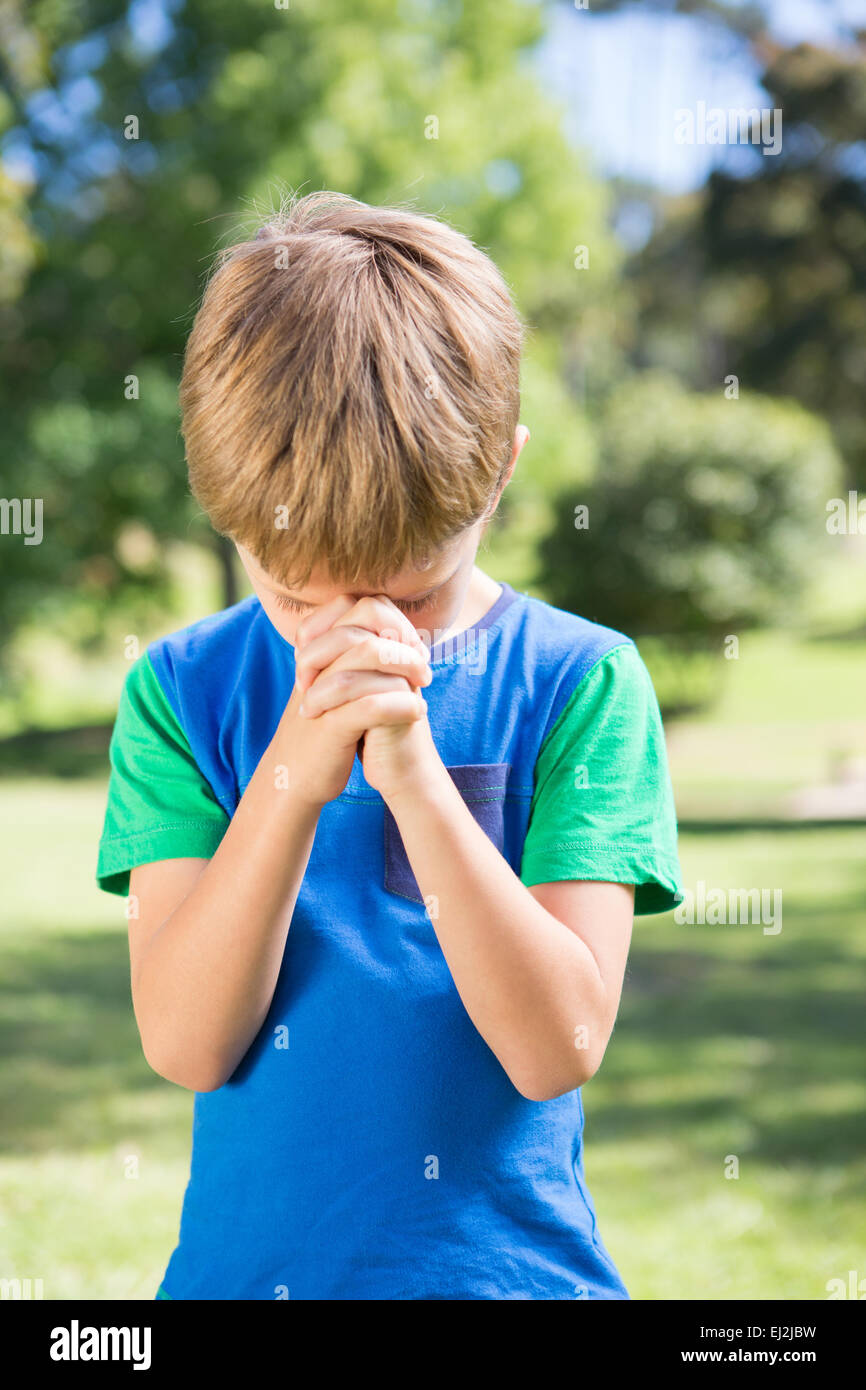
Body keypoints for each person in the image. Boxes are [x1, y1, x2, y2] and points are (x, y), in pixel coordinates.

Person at [96, 190, 683, 1300]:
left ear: (501, 469)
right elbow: (187, 1041)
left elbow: (555, 1043)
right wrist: (287, 783)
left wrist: (415, 783)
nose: (346, 630)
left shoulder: (580, 684)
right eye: (287, 592)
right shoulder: (179, 694)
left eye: (410, 591)